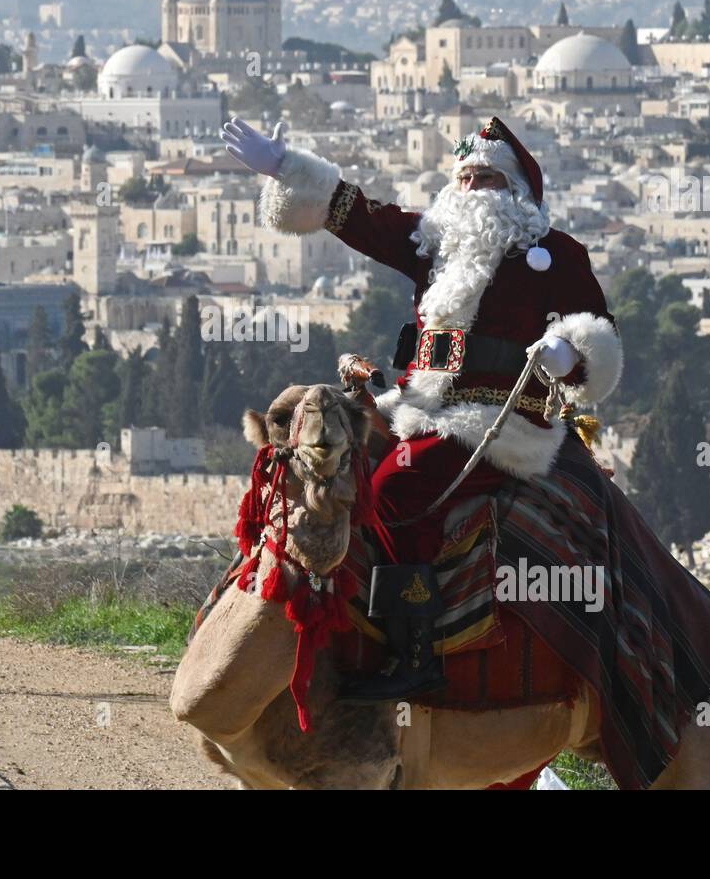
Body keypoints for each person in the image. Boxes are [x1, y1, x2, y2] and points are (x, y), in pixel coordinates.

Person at [221, 115, 623, 701]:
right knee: (320, 457)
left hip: (497, 421)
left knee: (394, 491)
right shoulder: (432, 241)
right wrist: (285, 166)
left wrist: (569, 353)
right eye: (463, 176)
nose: (471, 187)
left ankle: (414, 655)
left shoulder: (556, 254)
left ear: (515, 191)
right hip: (418, 404)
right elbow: (363, 218)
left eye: (485, 177)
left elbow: (599, 342)